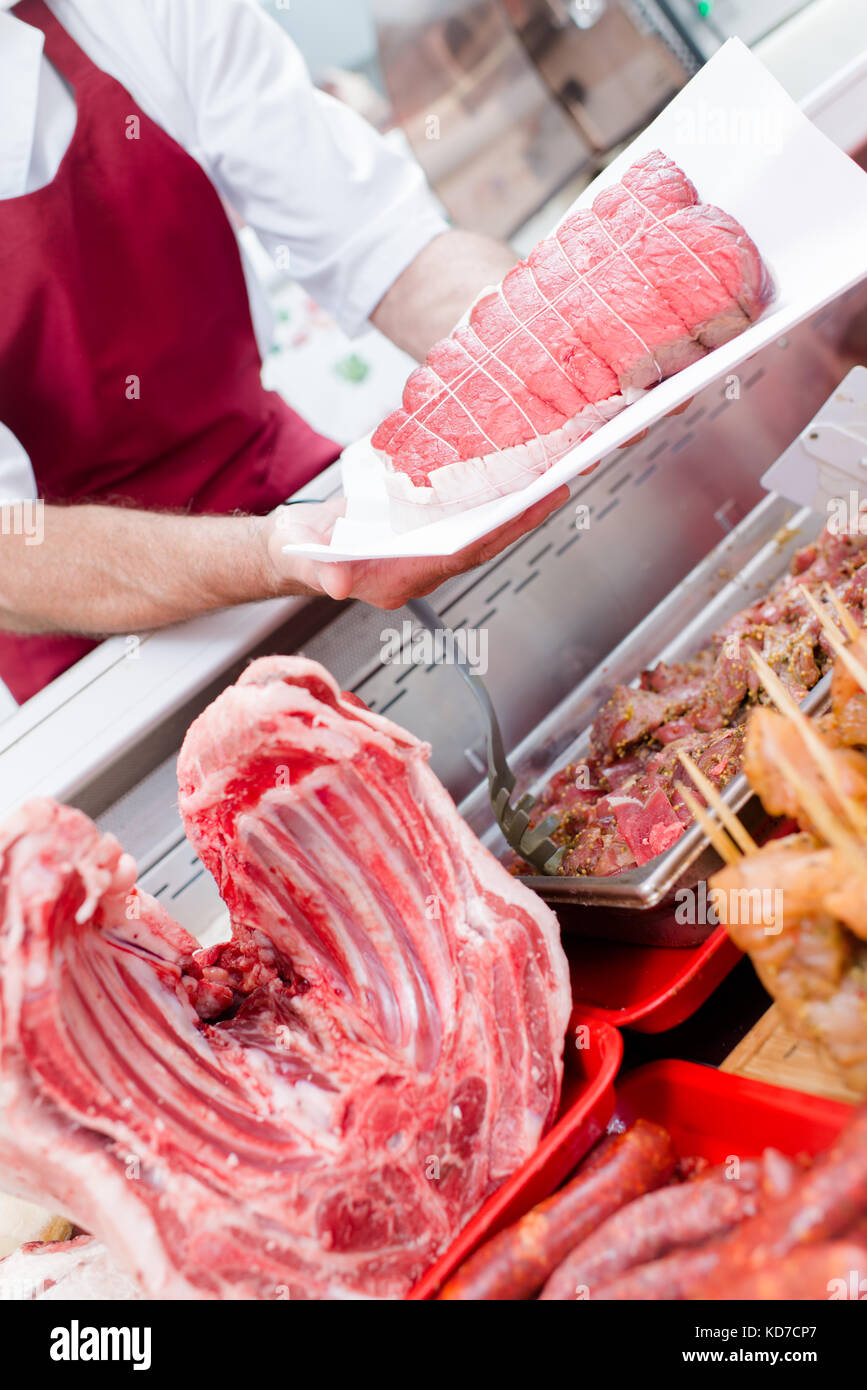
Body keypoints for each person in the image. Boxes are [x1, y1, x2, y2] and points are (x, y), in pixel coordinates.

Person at [0, 0, 569, 704]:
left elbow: (383, 245)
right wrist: (275, 554)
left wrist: (559, 348)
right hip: (87, 634)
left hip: (284, 492)